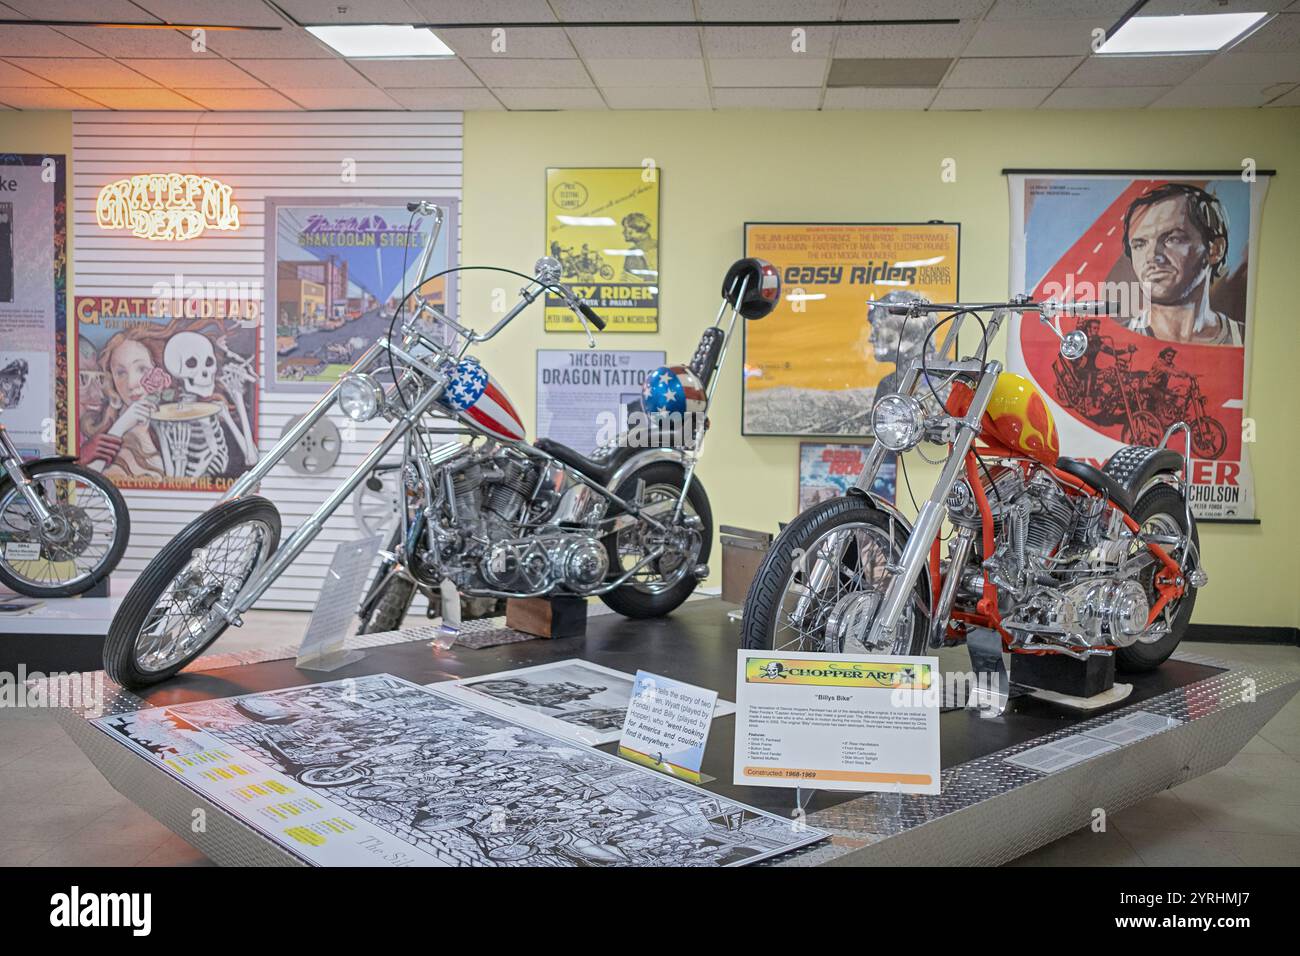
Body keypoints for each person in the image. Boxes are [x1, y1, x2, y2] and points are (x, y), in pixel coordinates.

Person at [1121, 182, 1243, 346]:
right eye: (1139, 244)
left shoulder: (1246, 340)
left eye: (1173, 239)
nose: (1152, 256)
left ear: (1215, 249)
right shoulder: (1115, 341)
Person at [867, 290, 938, 398]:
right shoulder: (943, 377)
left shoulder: (938, 382)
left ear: (909, 334)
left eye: (877, 328)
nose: (871, 338)